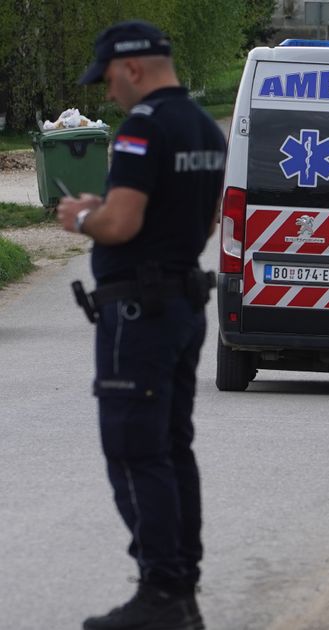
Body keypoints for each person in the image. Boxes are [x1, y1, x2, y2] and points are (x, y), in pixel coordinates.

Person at [55, 20, 226, 630]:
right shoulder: (205, 128)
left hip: (137, 314)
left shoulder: (143, 127)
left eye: (107, 79)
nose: (107, 93)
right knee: (172, 448)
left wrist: (83, 217)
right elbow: (205, 219)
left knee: (134, 449)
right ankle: (181, 590)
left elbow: (123, 223)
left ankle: (160, 594)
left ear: (131, 68)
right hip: (182, 304)